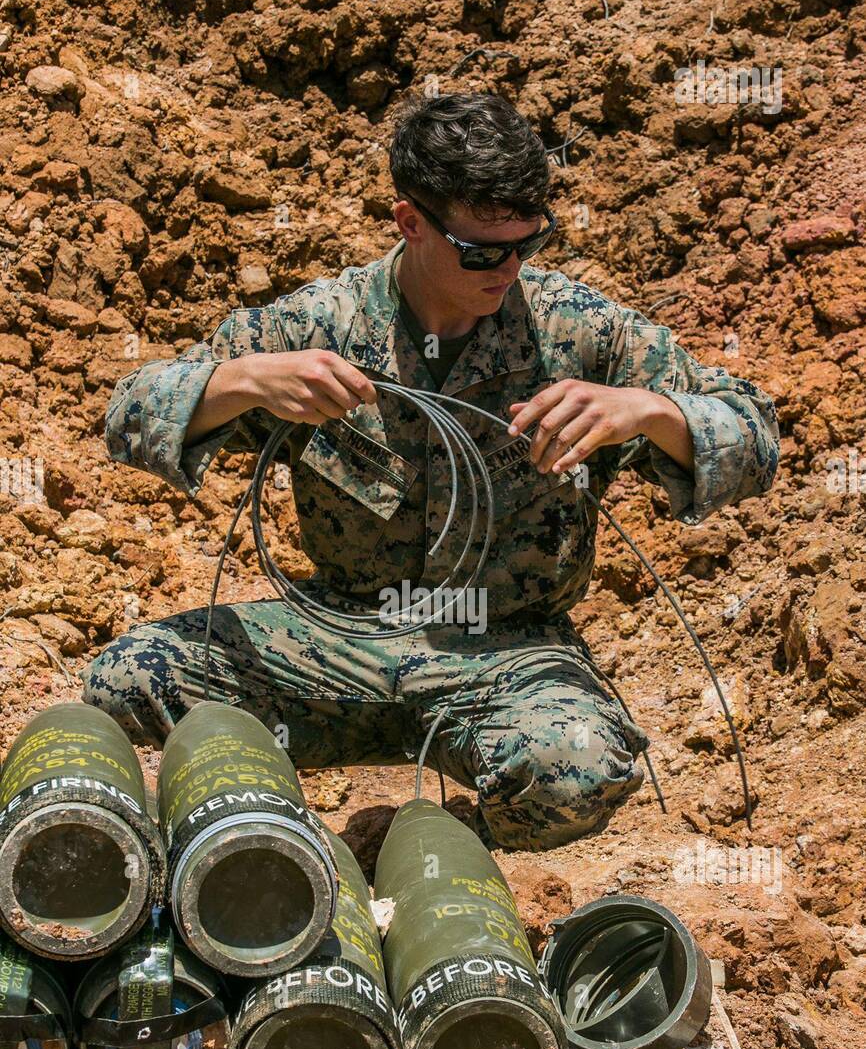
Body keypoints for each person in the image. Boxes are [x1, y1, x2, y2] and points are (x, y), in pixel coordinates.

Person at [83, 92, 778, 851]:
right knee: (128, 682)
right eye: (482, 251)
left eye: (529, 243)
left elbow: (754, 434)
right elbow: (128, 417)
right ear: (410, 222)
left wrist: (647, 412)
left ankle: (432, 852)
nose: (508, 269)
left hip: (504, 653)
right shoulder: (321, 327)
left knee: (572, 767)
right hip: (337, 638)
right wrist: (239, 384)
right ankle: (265, 842)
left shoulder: (574, 331)